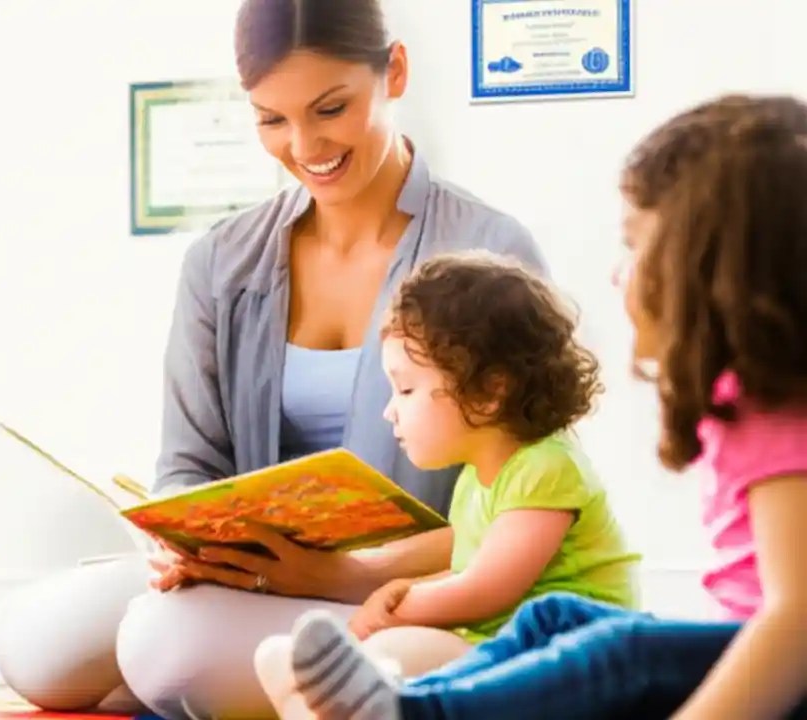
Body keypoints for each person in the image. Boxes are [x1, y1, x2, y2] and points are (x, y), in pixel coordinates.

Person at [0, 1, 547, 716]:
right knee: (34, 647)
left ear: (395, 72)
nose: (305, 145)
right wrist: (187, 549)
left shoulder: (493, 254)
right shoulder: (220, 261)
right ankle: (226, 680)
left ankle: (238, 676)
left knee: (164, 647)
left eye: (331, 108)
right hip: (252, 580)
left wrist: (338, 573)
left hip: (407, 592)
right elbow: (188, 465)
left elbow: (525, 504)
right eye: (271, 119)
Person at [260, 94, 807, 720]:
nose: (617, 274)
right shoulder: (745, 405)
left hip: (774, 667)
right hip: (744, 647)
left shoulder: (777, 415)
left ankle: (414, 715)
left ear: (712, 268)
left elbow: (796, 617)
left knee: (621, 650)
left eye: (635, 245)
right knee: (555, 618)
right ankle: (404, 705)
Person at [253, 253, 639, 696]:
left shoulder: (547, 468)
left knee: (384, 657)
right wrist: (403, 591)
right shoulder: (476, 479)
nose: (389, 410)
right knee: (297, 664)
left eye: (406, 389)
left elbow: (488, 588)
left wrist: (394, 608)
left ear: (489, 393)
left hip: (570, 658)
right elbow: (467, 571)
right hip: (503, 646)